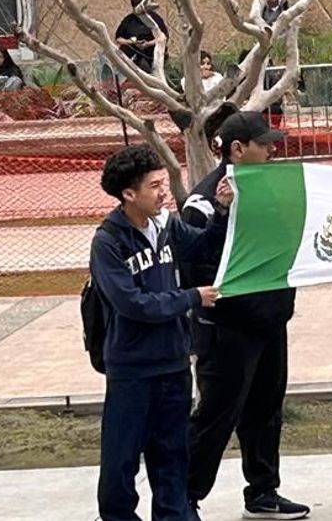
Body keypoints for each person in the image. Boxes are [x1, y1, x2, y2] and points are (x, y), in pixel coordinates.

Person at [91, 144, 232, 521]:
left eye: (162, 182)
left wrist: (220, 212)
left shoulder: (165, 225)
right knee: (122, 457)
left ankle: (174, 515)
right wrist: (190, 297)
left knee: (172, 452)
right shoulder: (108, 242)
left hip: (172, 363)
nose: (163, 191)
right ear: (129, 194)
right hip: (132, 369)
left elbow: (202, 246)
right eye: (154, 185)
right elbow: (133, 304)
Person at [181, 111, 310, 521]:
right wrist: (222, 215)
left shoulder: (267, 189)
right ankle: (183, 498)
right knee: (216, 417)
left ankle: (263, 492)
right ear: (238, 149)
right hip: (228, 331)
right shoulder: (203, 202)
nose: (272, 149)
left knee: (266, 412)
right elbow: (193, 263)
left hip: (270, 322)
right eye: (265, 144)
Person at [115, 0, 170, 73]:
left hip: (153, 54)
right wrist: (131, 42)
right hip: (133, 55)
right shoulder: (129, 20)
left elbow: (163, 37)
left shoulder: (155, 18)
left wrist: (148, 44)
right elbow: (118, 38)